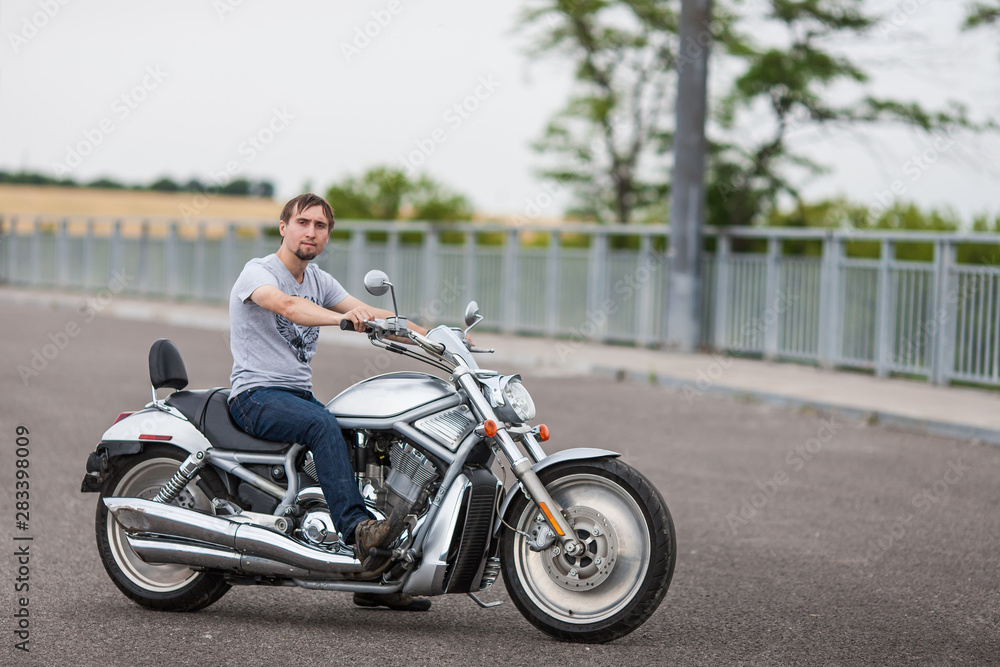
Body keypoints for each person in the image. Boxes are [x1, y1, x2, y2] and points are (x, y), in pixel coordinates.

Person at [227, 193, 431, 612]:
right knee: (323, 424)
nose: (311, 232)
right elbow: (287, 306)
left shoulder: (318, 279)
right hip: (255, 395)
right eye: (303, 223)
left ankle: (374, 573)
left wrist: (431, 335)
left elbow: (368, 311)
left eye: (320, 226)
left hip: (296, 395)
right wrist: (340, 319)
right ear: (284, 228)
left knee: (370, 435)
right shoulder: (258, 272)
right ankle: (357, 531)